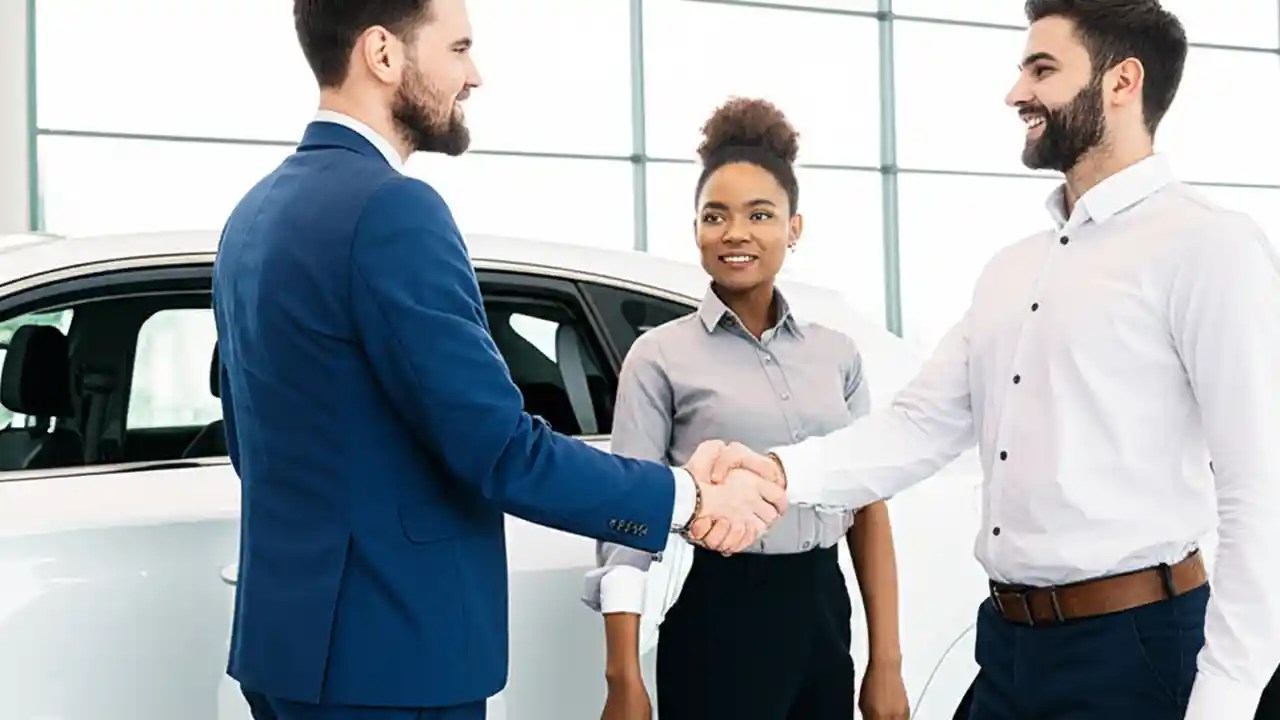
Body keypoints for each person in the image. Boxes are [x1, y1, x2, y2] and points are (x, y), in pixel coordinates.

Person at [699, 1, 1280, 719]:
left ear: (1122, 82)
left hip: (1136, 648)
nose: (1015, 93)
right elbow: (917, 425)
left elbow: (1261, 493)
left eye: (1042, 69)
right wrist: (782, 473)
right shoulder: (1013, 270)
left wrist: (1226, 698)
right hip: (1005, 647)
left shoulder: (1208, 247)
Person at [212, 2, 788, 720]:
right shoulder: (395, 211)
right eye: (457, 48)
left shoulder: (252, 216)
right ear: (383, 54)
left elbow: (250, 443)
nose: (474, 75)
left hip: (284, 652)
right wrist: (689, 499)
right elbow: (498, 449)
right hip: (393, 662)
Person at [581, 98, 911, 720]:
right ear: (697, 228)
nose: (736, 233)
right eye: (716, 216)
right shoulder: (659, 357)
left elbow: (868, 506)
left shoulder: (836, 355)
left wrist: (886, 662)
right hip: (716, 611)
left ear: (794, 227)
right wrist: (622, 677)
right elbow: (625, 519)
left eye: (760, 214)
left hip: (822, 604)